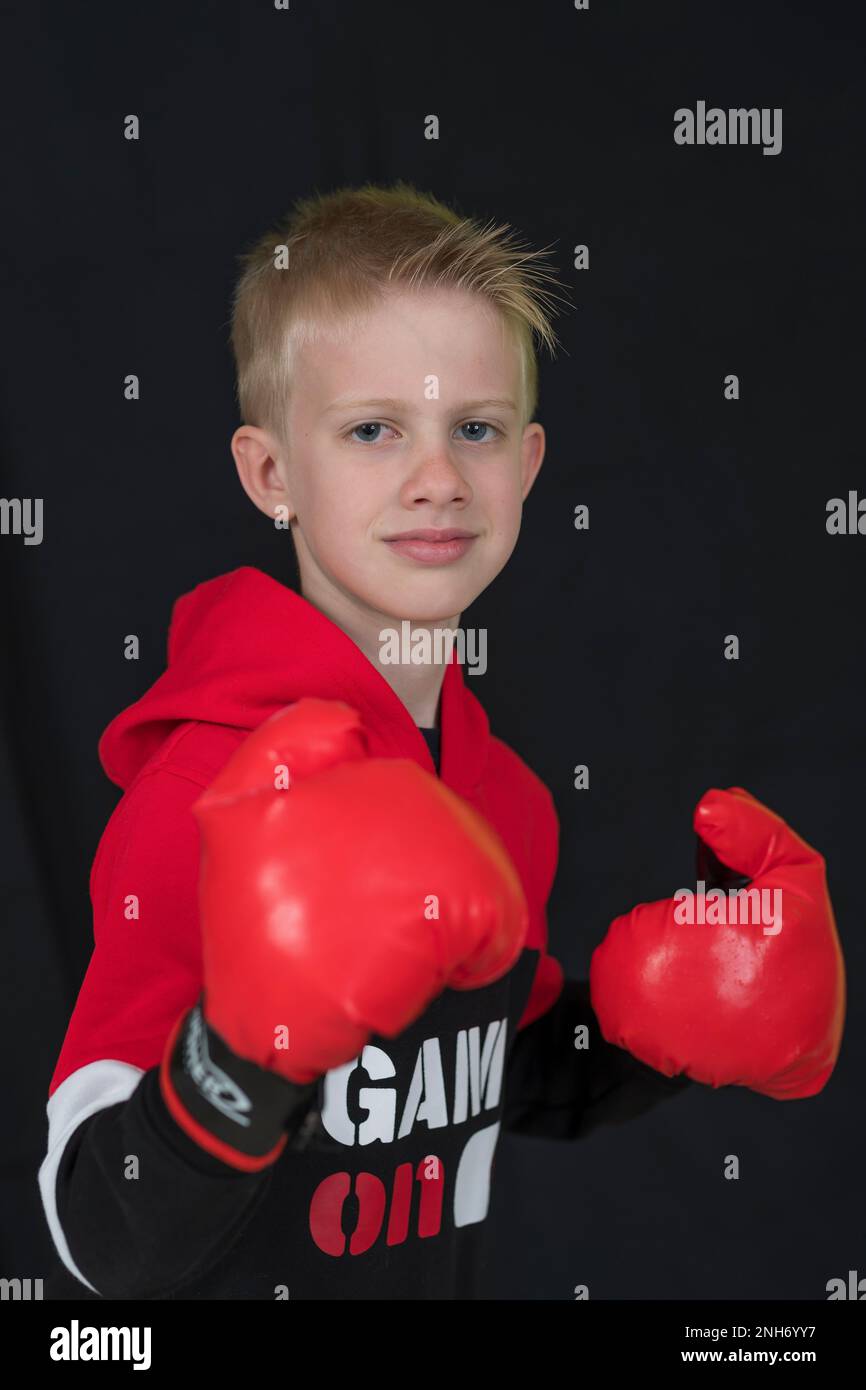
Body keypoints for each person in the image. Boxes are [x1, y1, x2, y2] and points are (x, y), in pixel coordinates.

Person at [37, 182, 845, 1300]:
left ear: (527, 464)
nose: (436, 478)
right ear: (271, 474)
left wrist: (639, 1035)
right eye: (372, 430)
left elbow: (483, 1080)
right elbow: (96, 1232)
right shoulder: (199, 795)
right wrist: (238, 1055)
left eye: (476, 428)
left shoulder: (501, 792)